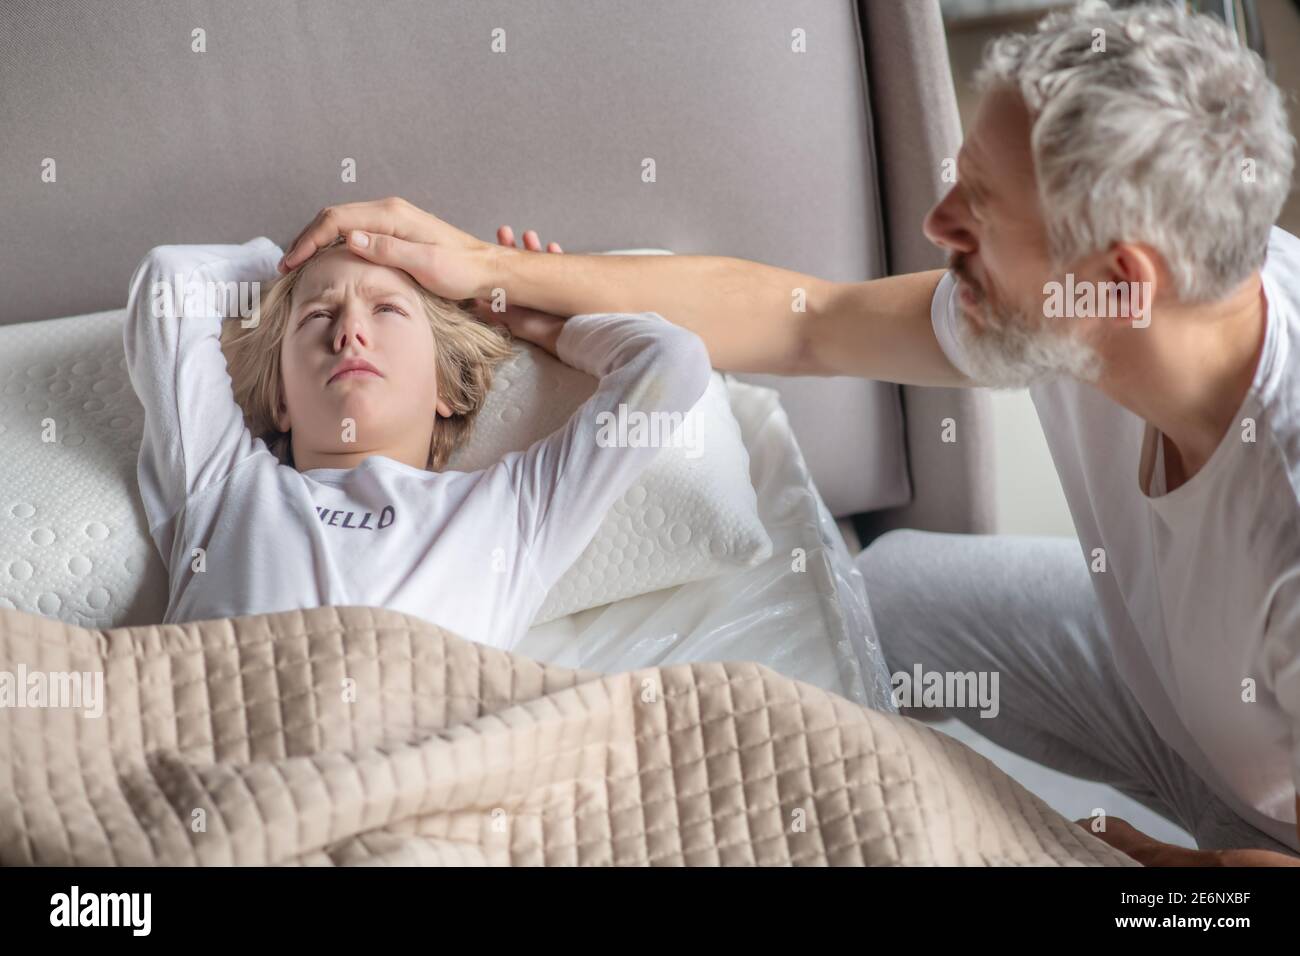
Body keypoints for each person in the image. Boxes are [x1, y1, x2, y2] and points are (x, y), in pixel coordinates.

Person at [272, 1, 1300, 865]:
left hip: (1264, 818)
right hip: (1181, 696)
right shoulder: (1100, 309)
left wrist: (1176, 874)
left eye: (978, 208)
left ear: (1119, 285)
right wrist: (488, 271)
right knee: (873, 598)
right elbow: (807, 320)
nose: (939, 223)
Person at [122, 235, 712, 650]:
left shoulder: (510, 512)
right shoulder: (223, 485)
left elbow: (671, 362)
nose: (350, 330)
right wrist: (292, 264)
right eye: (317, 317)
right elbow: (168, 280)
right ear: (280, 398)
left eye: (386, 309)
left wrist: (541, 321)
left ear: (445, 385)